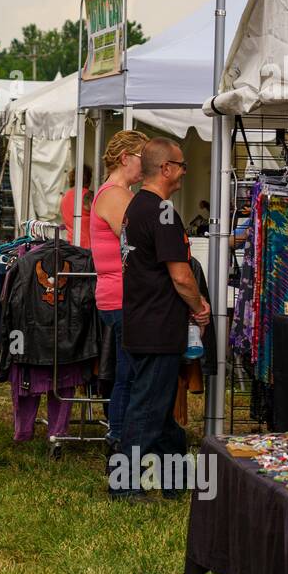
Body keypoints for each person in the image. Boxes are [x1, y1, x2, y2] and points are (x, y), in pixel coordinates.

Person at [112, 137, 210, 500]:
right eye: (182, 165)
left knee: (160, 408)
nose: (185, 171)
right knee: (148, 410)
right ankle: (124, 486)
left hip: (141, 320)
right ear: (166, 168)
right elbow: (181, 275)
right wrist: (200, 308)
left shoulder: (137, 206)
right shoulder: (162, 212)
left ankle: (176, 481)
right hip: (157, 325)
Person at [89, 129, 148, 451]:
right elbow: (139, 241)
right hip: (121, 295)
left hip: (119, 294)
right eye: (144, 158)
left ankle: (122, 435)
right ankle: (120, 438)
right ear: (126, 158)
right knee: (130, 372)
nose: (148, 165)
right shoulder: (115, 195)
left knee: (129, 369)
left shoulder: (116, 192)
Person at [60, 165, 94, 248]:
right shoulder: (88, 195)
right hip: (87, 245)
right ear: (89, 179)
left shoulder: (64, 197)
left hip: (71, 243)